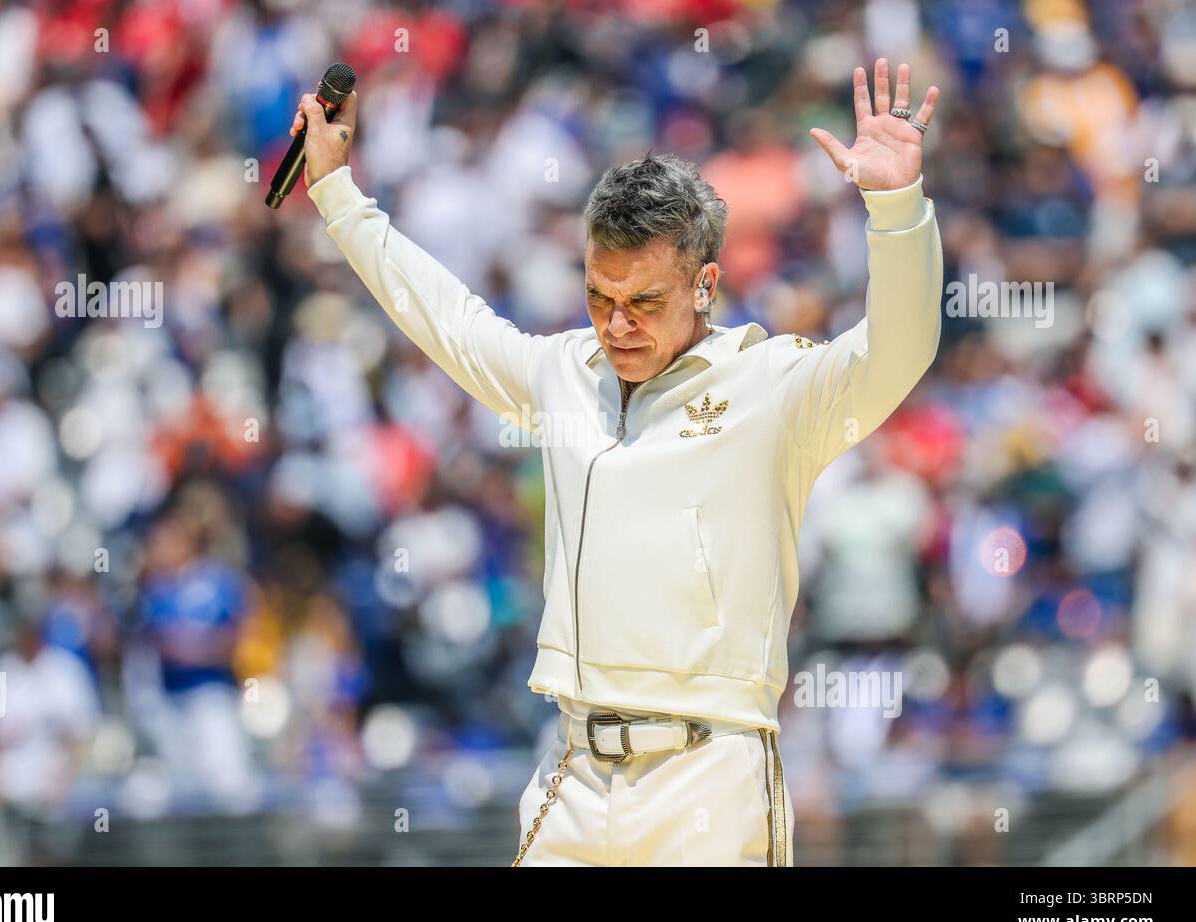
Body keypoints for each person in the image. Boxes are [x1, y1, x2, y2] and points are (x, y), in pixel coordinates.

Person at [291, 58, 942, 866]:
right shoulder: (562, 371)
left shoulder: (774, 386)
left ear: (705, 285)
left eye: (645, 302)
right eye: (599, 296)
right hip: (573, 768)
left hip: (711, 775)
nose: (616, 325)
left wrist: (896, 207)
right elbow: (446, 319)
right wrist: (337, 194)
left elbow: (902, 349)